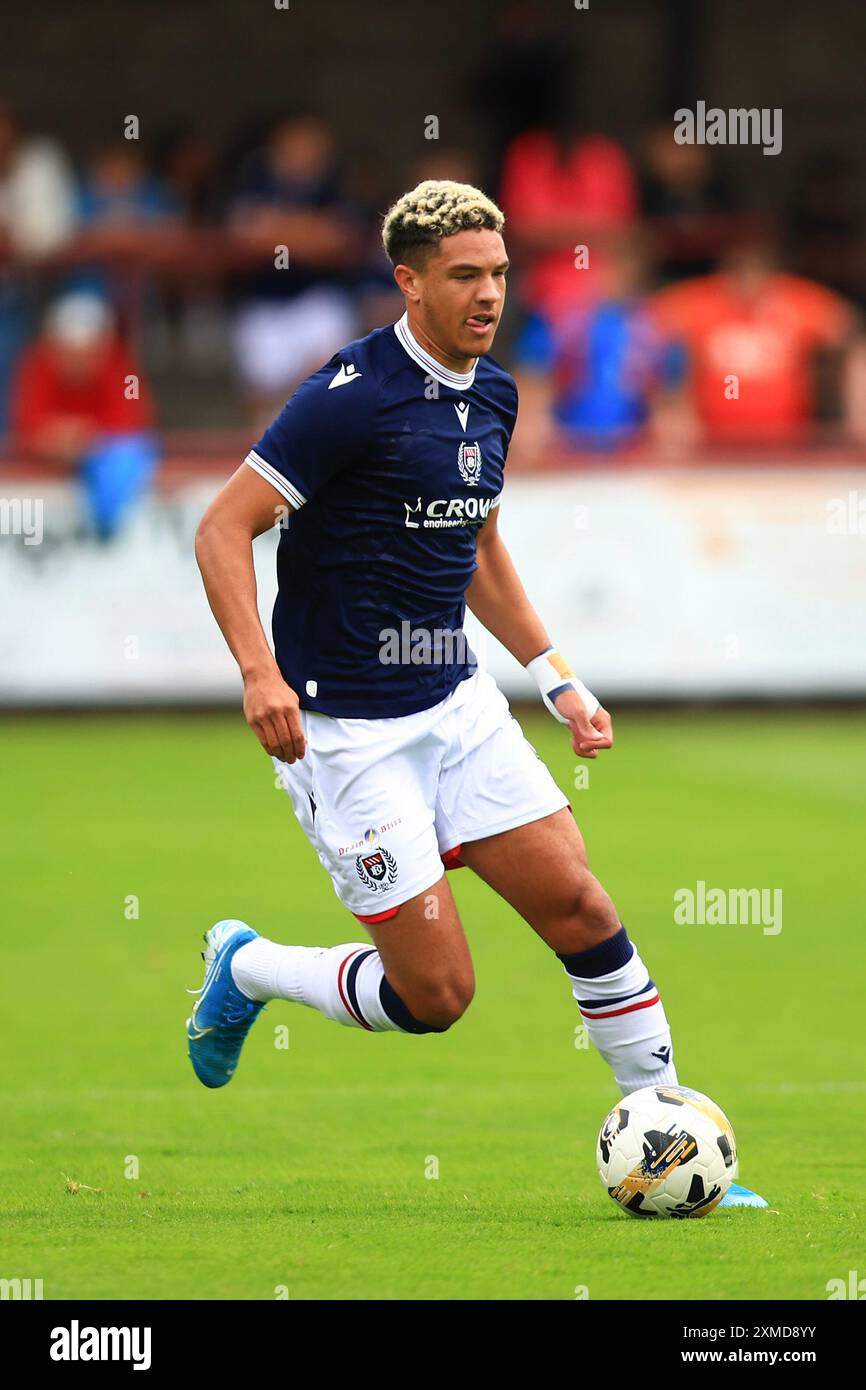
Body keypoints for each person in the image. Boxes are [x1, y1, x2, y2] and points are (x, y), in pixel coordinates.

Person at [189, 180, 761, 1210]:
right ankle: (251, 968)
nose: (489, 293)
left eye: (498, 272)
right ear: (408, 282)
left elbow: (477, 543)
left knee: (580, 903)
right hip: (346, 730)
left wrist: (556, 679)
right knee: (436, 995)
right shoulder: (347, 397)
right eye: (464, 275)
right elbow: (222, 527)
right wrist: (256, 672)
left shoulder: (491, 394)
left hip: (456, 708)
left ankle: (670, 1136)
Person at [11, 292, 158, 540]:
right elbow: (27, 423)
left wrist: (86, 437)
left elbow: (135, 419)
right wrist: (55, 439)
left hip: (104, 459)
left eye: (87, 354)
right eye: (69, 354)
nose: (78, 363)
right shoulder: (36, 365)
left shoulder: (123, 369)